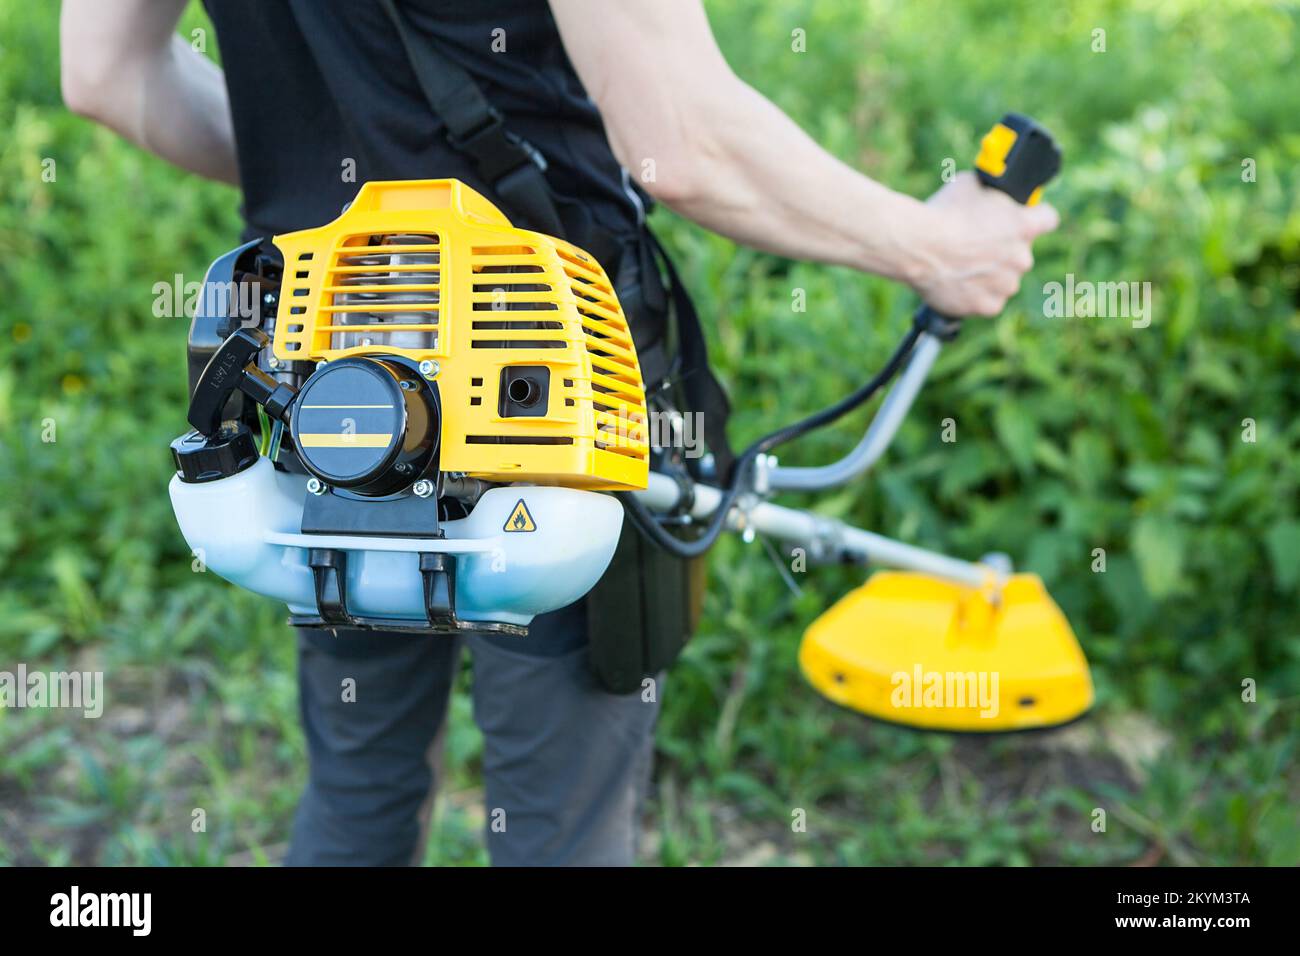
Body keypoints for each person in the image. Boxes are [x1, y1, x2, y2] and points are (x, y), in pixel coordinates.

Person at [60, 0, 1057, 867]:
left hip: (330, 376)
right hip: (546, 367)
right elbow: (684, 143)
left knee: (356, 790)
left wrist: (361, 197)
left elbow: (107, 74)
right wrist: (936, 247)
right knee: (560, 827)